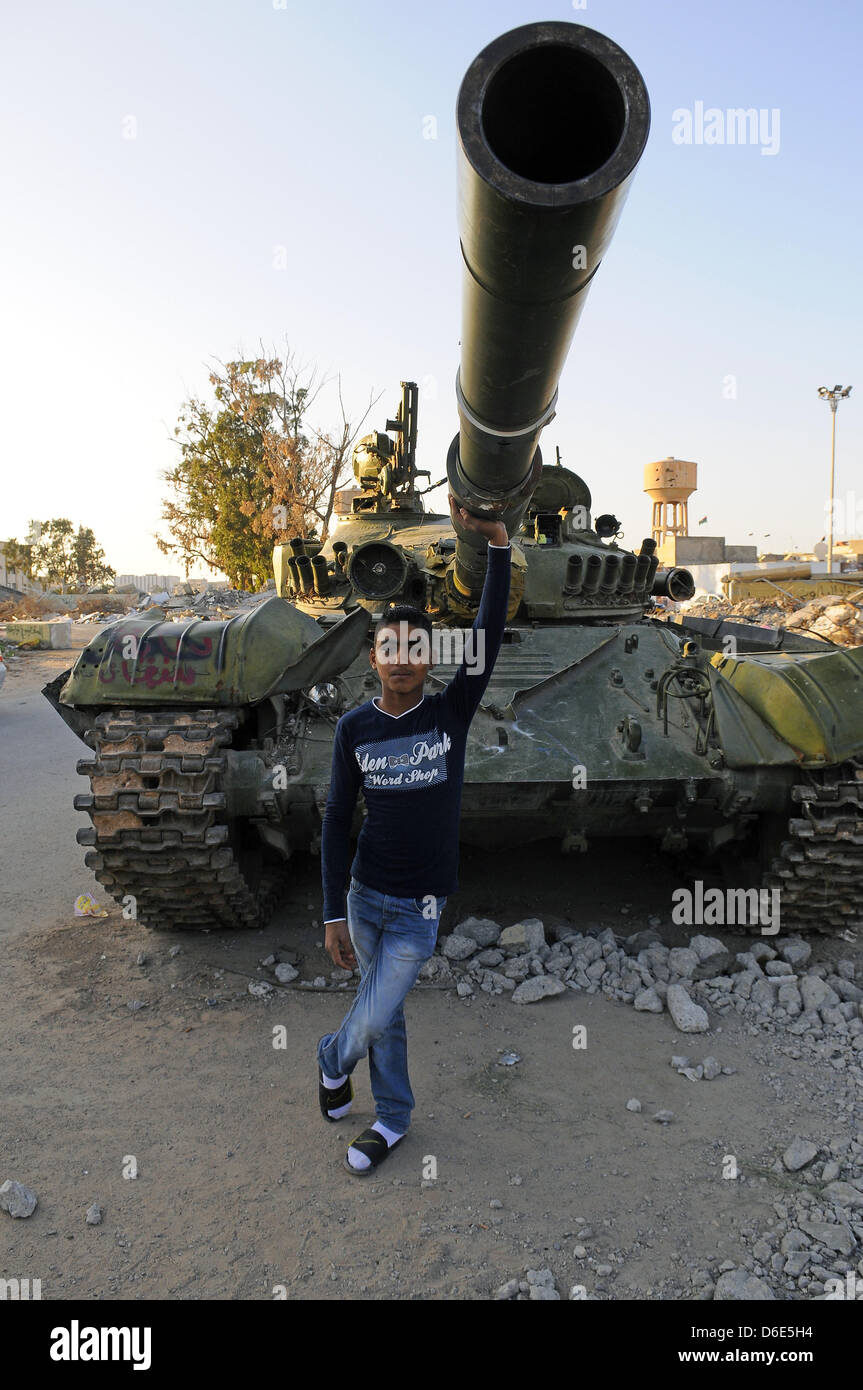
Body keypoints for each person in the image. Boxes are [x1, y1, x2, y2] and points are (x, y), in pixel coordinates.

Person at [317, 493, 511, 1174]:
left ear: (428, 659)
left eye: (414, 650)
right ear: (372, 657)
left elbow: (485, 634)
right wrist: (334, 910)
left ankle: (331, 1059)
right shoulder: (354, 729)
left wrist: (497, 545)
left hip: (421, 903)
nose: (401, 661)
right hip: (367, 896)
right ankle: (392, 1117)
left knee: (375, 1012)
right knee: (385, 1016)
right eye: (388, 649)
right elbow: (338, 818)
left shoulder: (451, 713)